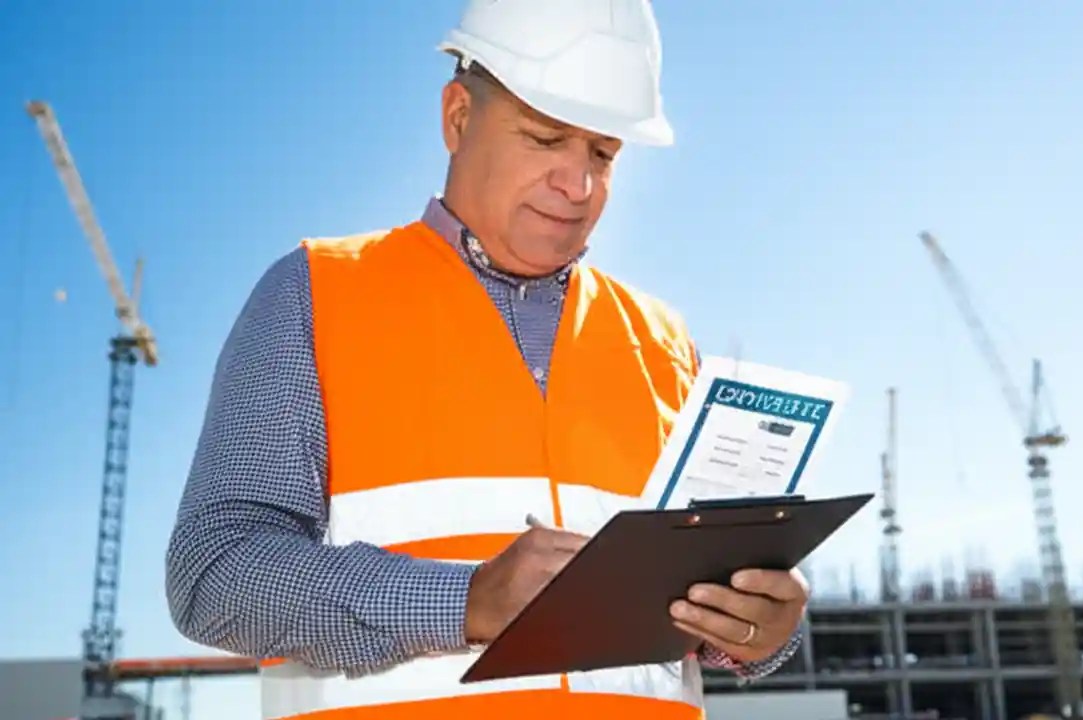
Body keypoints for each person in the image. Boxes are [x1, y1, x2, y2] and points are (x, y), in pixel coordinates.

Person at [165, 1, 809, 718]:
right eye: (544, 138)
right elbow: (214, 575)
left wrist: (759, 630)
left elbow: (698, 599)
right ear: (458, 117)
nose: (579, 184)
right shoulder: (316, 293)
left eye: (602, 153)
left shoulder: (662, 339)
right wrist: (465, 599)